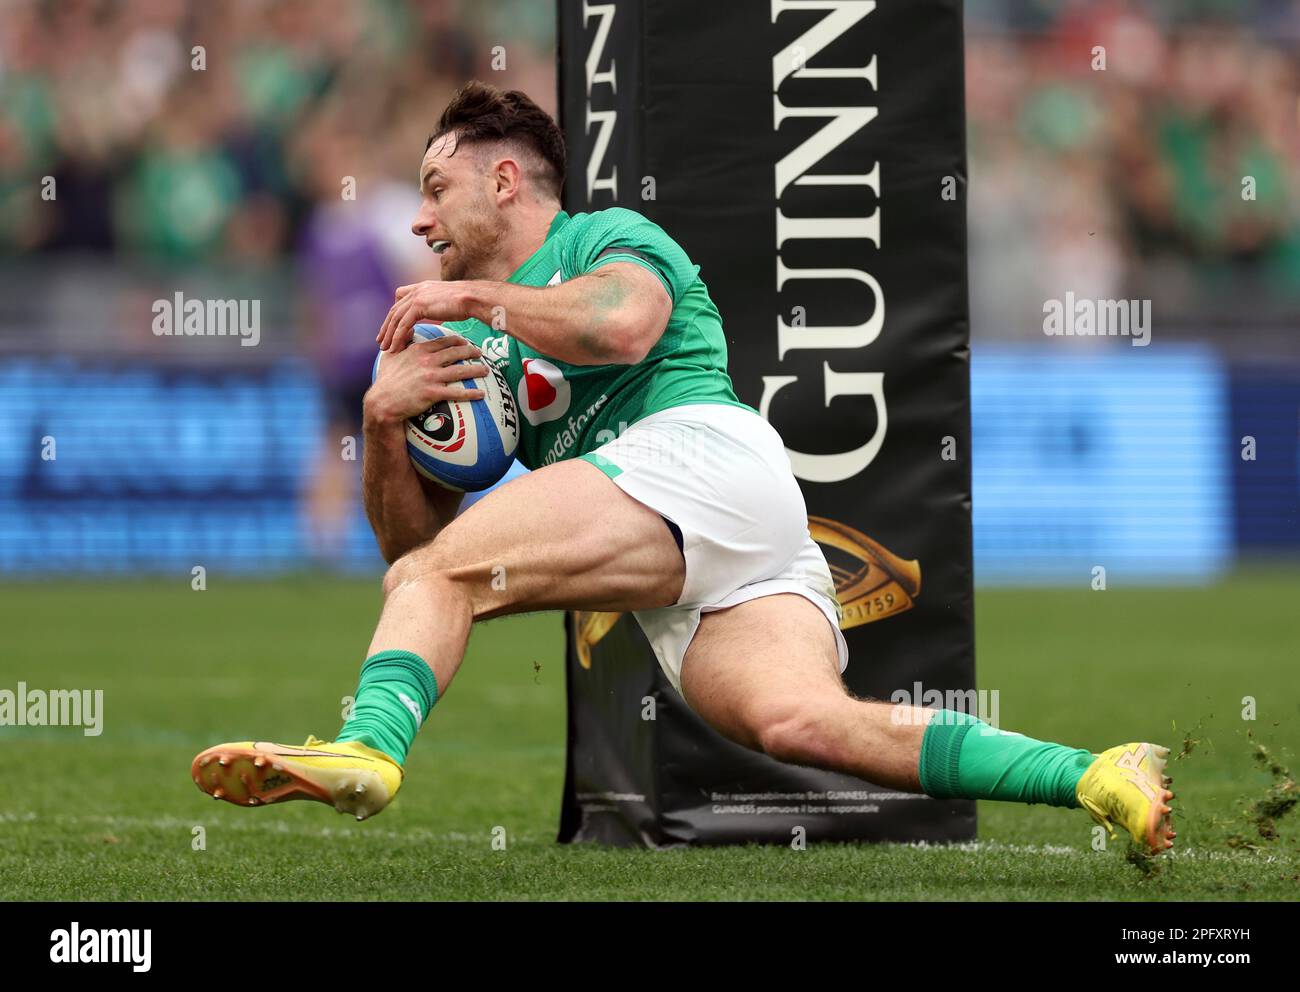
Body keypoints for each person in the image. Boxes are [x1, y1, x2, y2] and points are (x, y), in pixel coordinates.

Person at [192, 82, 1175, 855]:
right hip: (696, 548)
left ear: (504, 182)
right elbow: (414, 558)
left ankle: (367, 747)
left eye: (435, 186)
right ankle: (1096, 772)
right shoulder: (462, 332)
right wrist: (381, 423)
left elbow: (621, 326)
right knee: (799, 721)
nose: (417, 218)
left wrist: (486, 303)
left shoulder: (601, 238)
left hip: (699, 456)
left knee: (439, 580)